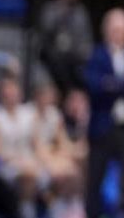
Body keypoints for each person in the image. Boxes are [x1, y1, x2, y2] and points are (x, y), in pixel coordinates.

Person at [83, 9, 124, 218]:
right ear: (106, 31)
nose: (119, 35)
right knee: (95, 177)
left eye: (123, 30)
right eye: (115, 30)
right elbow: (94, 86)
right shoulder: (96, 55)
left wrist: (112, 84)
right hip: (102, 126)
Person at [0, 74, 44, 218]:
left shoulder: (30, 114)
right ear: (1, 94)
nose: (11, 94)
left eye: (13, 90)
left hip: (31, 161)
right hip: (5, 165)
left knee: (68, 171)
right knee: (27, 175)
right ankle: (26, 211)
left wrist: (46, 160)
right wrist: (18, 160)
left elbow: (37, 146)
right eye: (7, 91)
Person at [31, 81, 82, 218]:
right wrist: (51, 158)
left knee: (74, 170)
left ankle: (73, 208)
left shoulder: (54, 114)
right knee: (58, 172)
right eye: (47, 95)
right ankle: (54, 210)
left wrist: (71, 152)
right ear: (38, 96)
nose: (50, 99)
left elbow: (62, 140)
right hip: (34, 156)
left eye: (51, 96)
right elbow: (35, 145)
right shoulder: (29, 114)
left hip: (51, 155)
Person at [38, 0, 93, 95]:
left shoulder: (81, 12)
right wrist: (62, 14)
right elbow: (46, 32)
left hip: (75, 60)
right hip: (53, 60)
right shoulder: (51, 9)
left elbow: (86, 39)